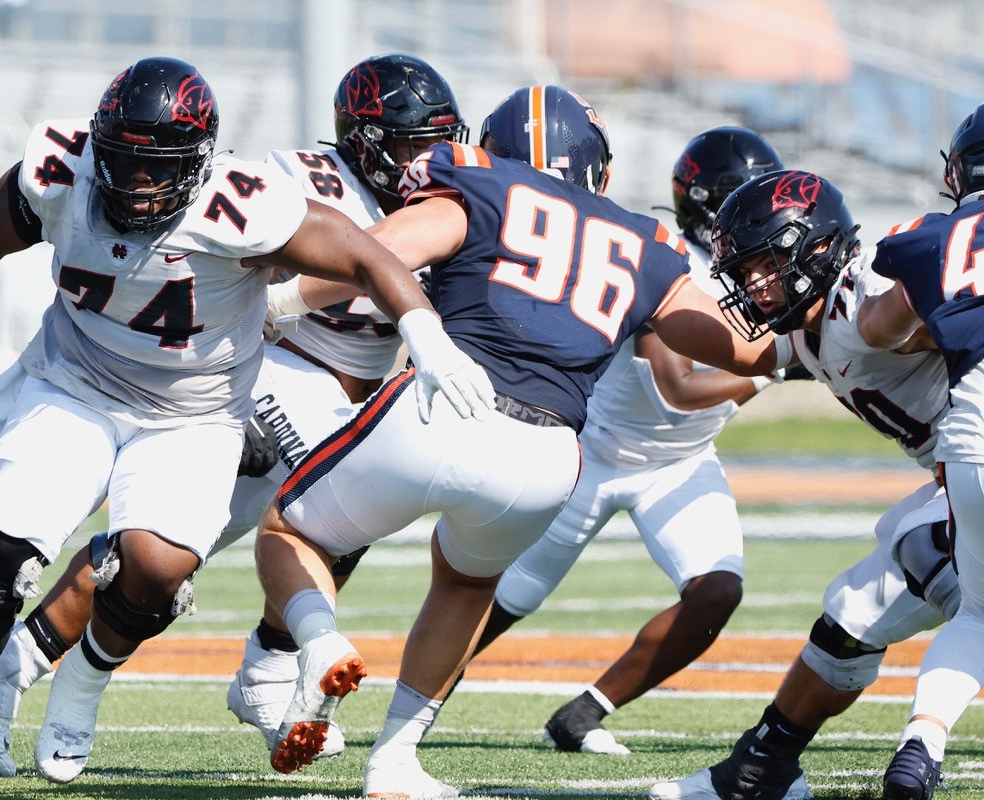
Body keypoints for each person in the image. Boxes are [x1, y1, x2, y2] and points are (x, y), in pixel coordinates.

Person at [0, 55, 485, 800]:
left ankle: (82, 679)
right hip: (76, 381)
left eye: (162, 167)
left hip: (197, 411)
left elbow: (368, 255)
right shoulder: (61, 167)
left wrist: (429, 338)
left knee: (156, 566)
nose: (140, 183)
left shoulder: (243, 204)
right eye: (124, 161)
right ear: (98, 143)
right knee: (3, 541)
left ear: (200, 163)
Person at [251, 84, 785, 798]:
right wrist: (819, 340)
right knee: (467, 585)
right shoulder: (645, 242)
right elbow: (741, 351)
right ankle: (397, 762)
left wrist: (281, 302)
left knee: (291, 529)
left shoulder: (481, 182)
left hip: (445, 404)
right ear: (597, 166)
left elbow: (379, 255)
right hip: (546, 457)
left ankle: (317, 642)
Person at [462, 125, 785, 757]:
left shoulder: (768, 281)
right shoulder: (669, 262)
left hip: (682, 463)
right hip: (596, 453)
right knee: (503, 599)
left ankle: (584, 714)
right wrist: (775, 366)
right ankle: (412, 707)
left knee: (716, 591)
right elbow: (676, 391)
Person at [649, 168, 957, 800]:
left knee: (925, 563)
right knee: (854, 610)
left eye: (766, 266)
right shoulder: (808, 325)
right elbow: (738, 353)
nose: (755, 287)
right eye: (745, 274)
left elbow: (932, 312)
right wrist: (647, 297)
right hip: (958, 479)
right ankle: (760, 770)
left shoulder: (867, 286)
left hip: (973, 472)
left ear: (814, 245)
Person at [855, 104, 984, 800]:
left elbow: (877, 330)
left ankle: (920, 744)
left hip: (974, 434)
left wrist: (936, 327)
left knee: (978, 615)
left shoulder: (935, 237)